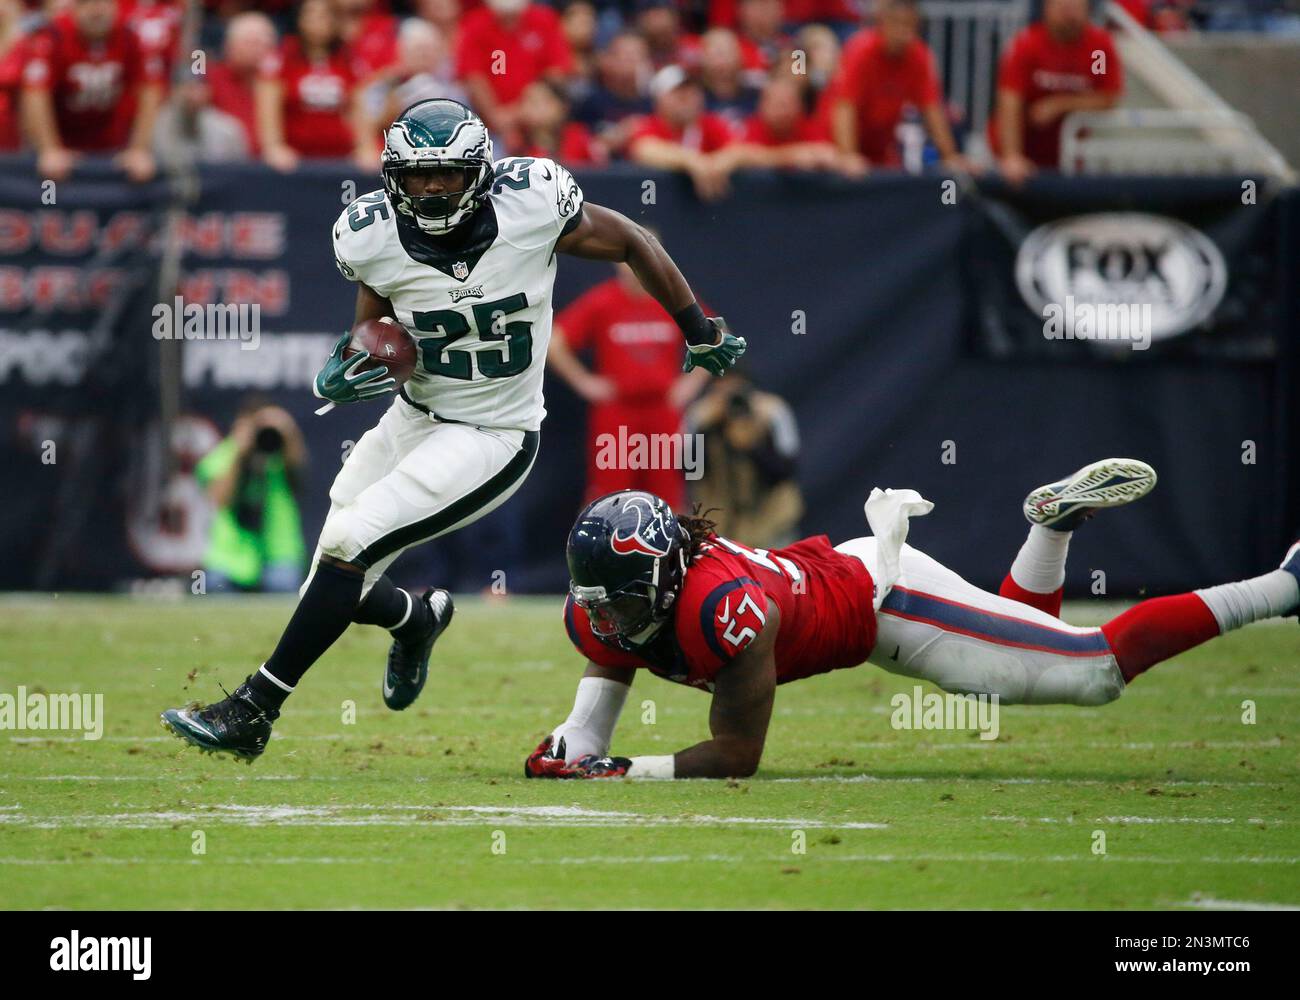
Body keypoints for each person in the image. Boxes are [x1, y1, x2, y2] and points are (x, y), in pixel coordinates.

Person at [161, 98, 747, 760]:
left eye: (447, 174)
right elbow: (373, 325)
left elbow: (635, 240)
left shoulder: (533, 205)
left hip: (494, 433)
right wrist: (344, 363)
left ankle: (252, 711)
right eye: (417, 176)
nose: (433, 188)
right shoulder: (370, 235)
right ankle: (418, 620)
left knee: (351, 544)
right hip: (414, 417)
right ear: (392, 178)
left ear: (481, 172)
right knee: (327, 578)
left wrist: (698, 331)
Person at [525, 459, 1300, 779]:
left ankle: (1282, 585)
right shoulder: (609, 602)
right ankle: (1052, 528)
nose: (609, 616)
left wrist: (629, 770)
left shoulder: (727, 610)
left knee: (1093, 671)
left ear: (664, 576)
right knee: (1016, 653)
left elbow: (737, 754)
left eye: (624, 596)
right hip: (855, 601)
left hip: (890, 604)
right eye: (600, 600)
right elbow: (590, 729)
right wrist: (570, 750)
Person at [548, 261, 711, 511]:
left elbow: (717, 337)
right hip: (617, 414)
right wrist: (583, 382)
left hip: (663, 412)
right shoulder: (602, 301)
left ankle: (669, 549)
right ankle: (603, 548)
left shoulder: (674, 300)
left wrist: (691, 384)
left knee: (667, 499)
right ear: (619, 265)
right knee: (607, 499)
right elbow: (555, 341)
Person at [20, 0, 165, 182]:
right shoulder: (54, 36)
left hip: (113, 147)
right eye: (87, 2)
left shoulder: (130, 36)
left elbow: (150, 91)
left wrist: (139, 148)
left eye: (104, 2)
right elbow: (35, 94)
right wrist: (49, 148)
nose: (97, 9)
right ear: (75, 7)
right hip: (64, 144)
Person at [828, 0, 969, 172]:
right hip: (835, 144)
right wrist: (847, 154)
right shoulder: (860, 51)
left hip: (880, 149)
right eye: (897, 25)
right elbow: (845, 108)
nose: (904, 33)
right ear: (882, 24)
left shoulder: (918, 56)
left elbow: (932, 109)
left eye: (911, 27)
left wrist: (949, 156)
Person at [991, 0, 1123, 183]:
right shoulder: (1026, 44)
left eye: (1075, 9)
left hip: (1071, 157)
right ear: (1047, 9)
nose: (1069, 16)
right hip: (1023, 154)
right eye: (1063, 8)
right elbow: (1009, 102)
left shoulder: (1097, 49)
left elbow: (1106, 98)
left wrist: (1060, 104)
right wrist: (1012, 155)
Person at [195, 398, 308, 594]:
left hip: (279, 554)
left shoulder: (279, 451)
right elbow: (219, 499)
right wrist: (240, 453)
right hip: (229, 557)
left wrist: (288, 432)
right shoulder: (225, 454)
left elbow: (299, 473)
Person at [685, 368, 802, 547]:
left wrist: (754, 445)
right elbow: (688, 471)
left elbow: (785, 471)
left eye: (736, 387)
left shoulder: (771, 412)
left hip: (771, 527)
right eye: (722, 388)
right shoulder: (701, 415)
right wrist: (706, 429)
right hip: (718, 531)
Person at [255, 0, 371, 171]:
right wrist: (273, 146)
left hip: (341, 158)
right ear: (299, 19)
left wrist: (365, 147)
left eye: (325, 15)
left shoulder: (349, 60)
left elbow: (359, 110)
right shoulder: (283, 57)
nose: (318, 21)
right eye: (311, 14)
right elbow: (268, 106)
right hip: (294, 160)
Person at [456, 0, 573, 137]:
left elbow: (557, 70)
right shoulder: (475, 23)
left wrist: (524, 109)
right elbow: (473, 76)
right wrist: (496, 116)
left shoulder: (544, 18)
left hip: (539, 113)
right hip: (490, 124)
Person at [628, 64, 736, 199]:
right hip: (655, 201)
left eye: (692, 92)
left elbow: (737, 149)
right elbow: (644, 149)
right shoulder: (650, 124)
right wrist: (691, 161)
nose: (687, 98)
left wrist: (721, 162)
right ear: (659, 99)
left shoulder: (711, 123)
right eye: (679, 94)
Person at [206, 11, 277, 156]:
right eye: (250, 43)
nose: (257, 49)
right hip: (223, 163)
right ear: (229, 46)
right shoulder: (210, 76)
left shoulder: (278, 81)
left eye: (264, 44)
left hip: (273, 165)